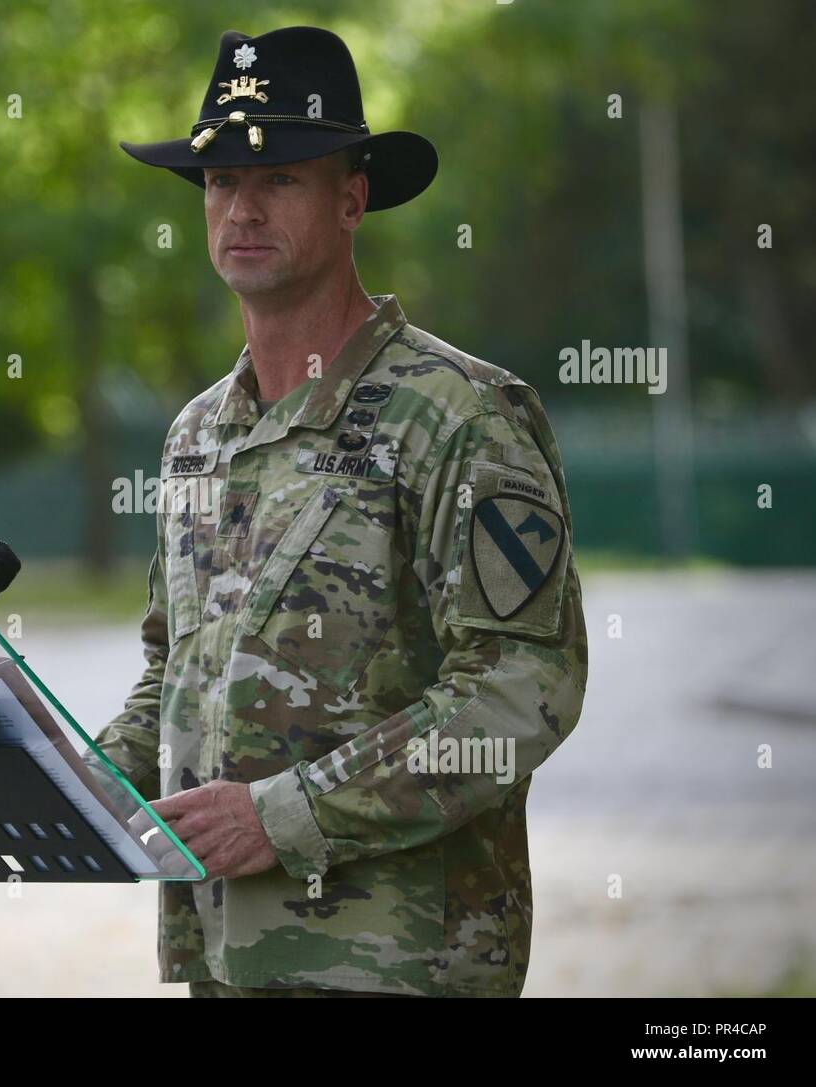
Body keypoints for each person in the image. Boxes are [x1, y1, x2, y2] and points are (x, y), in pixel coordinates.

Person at [95, 26, 588, 997]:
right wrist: (60, 773)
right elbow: (172, 666)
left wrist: (282, 816)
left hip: (399, 962)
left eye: (278, 176)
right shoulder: (197, 434)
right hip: (226, 962)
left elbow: (523, 686)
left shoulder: (456, 414)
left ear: (351, 198)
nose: (239, 205)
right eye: (217, 179)